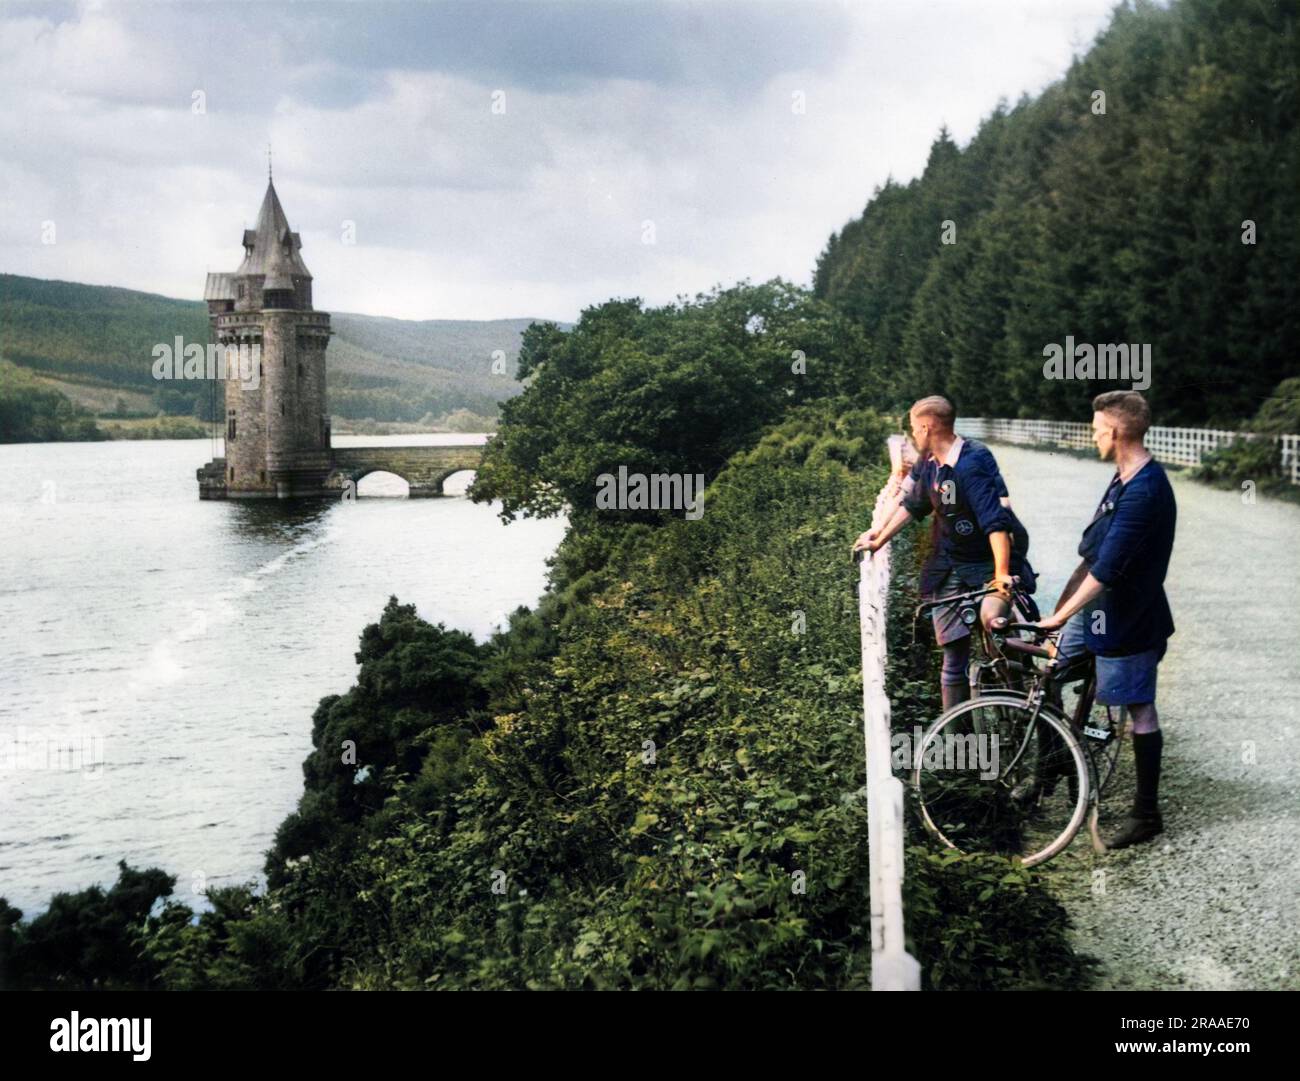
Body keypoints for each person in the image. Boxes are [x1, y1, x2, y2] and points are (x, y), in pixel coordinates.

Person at [1036, 390, 1176, 849]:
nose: (1092, 435)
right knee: (1047, 671)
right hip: (1097, 611)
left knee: (1139, 711)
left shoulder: (1147, 490)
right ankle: (1057, 762)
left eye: (1096, 428)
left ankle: (1147, 813)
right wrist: (1061, 617)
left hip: (1131, 617)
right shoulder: (1121, 479)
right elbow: (1092, 552)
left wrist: (1058, 616)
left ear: (1114, 432)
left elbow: (1109, 568)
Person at [853, 396, 1036, 711]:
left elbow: (996, 523)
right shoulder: (931, 463)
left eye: (913, 429)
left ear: (926, 427)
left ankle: (1022, 710)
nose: (912, 437)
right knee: (952, 656)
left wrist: (1002, 574)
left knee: (1000, 642)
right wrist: (878, 539)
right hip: (949, 565)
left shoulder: (972, 462)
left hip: (986, 564)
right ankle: (957, 734)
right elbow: (913, 505)